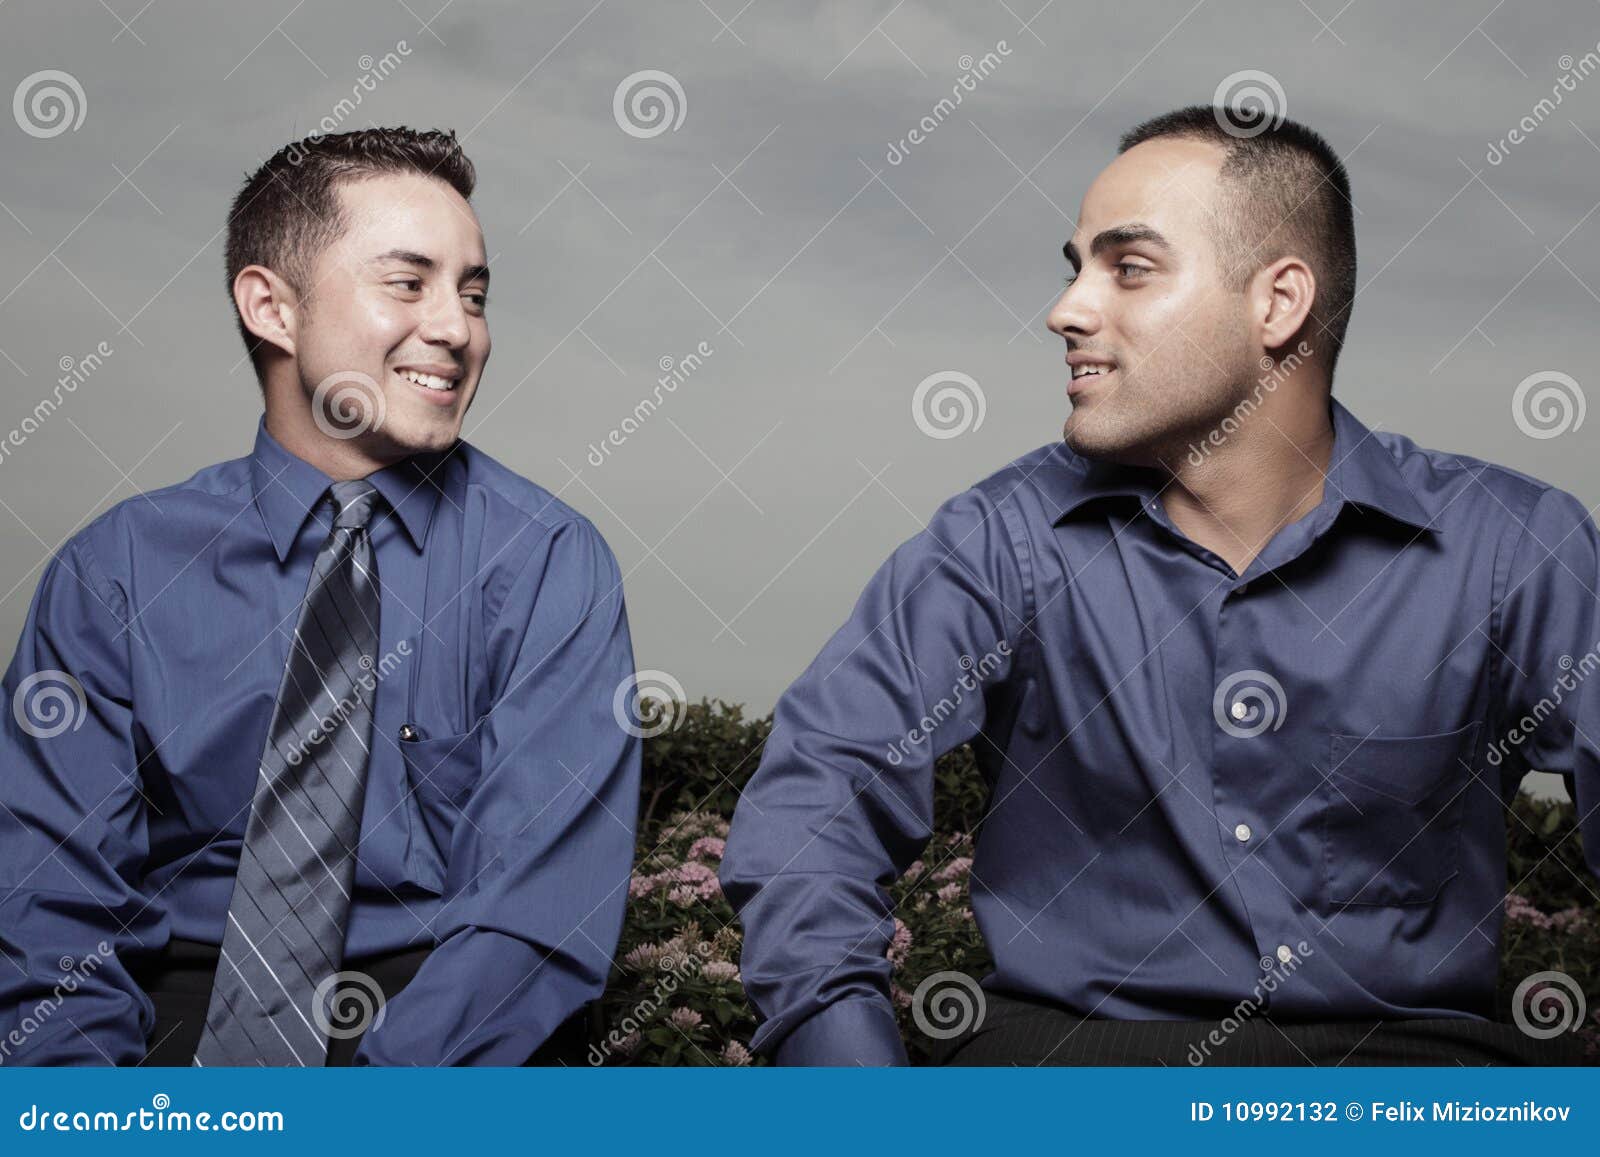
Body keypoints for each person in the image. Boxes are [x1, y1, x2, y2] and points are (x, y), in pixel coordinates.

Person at [719, 105, 1598, 1066]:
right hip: (1068, 1072)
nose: (1067, 309)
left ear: (1279, 303)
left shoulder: (1514, 547)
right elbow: (816, 808)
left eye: (1127, 268)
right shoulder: (998, 542)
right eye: (1074, 266)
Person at [0, 127, 641, 1066]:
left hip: (439, 1040)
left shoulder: (549, 562)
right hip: (164, 1022)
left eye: (474, 293)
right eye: (407, 282)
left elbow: (533, 923)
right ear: (272, 307)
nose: (459, 328)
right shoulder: (117, 570)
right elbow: (50, 906)